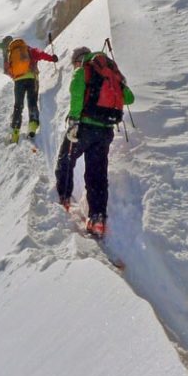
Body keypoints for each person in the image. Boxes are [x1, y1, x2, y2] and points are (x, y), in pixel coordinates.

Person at [55, 46, 124, 237]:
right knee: (97, 174)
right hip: (105, 131)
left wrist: (74, 121)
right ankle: (98, 218)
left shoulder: (83, 70)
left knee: (66, 160)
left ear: (79, 60)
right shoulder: (110, 73)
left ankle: (63, 199)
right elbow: (129, 98)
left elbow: (77, 95)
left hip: (83, 127)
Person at [0, 35, 58, 143]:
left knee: (18, 106)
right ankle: (32, 125)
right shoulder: (29, 50)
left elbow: (9, 69)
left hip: (18, 81)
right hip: (32, 79)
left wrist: (16, 77)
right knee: (32, 102)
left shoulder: (11, 54)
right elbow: (41, 54)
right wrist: (52, 58)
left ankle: (15, 133)